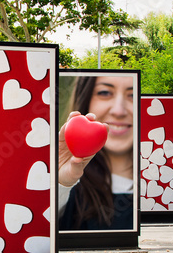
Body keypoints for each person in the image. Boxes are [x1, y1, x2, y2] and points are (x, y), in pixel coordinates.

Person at [57, 74, 135, 231]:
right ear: (85, 99)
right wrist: (60, 184)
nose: (119, 111)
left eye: (132, 95)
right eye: (105, 93)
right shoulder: (73, 188)